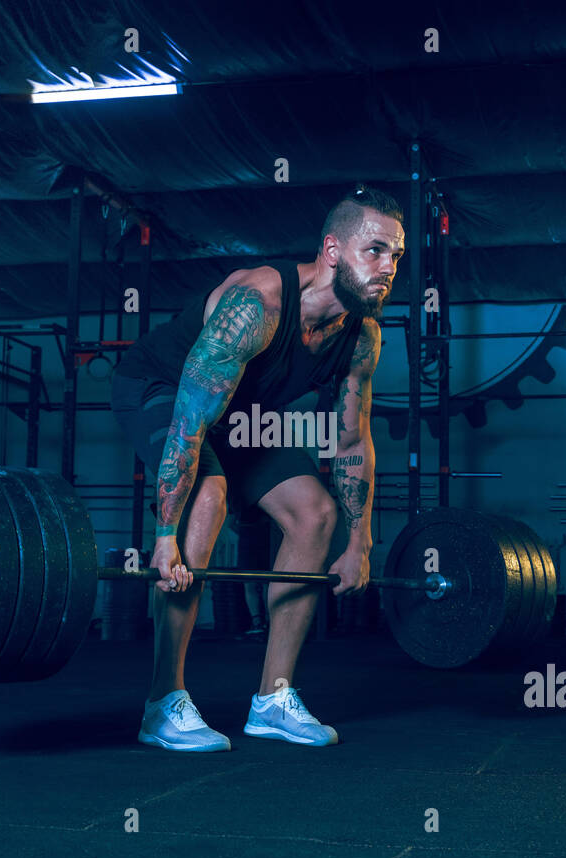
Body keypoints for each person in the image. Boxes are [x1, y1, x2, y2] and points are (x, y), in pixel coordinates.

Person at [110, 185, 403, 751]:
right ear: (333, 250)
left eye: (396, 256)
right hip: (162, 390)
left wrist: (360, 542)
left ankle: (273, 698)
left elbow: (350, 439)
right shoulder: (258, 305)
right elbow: (190, 424)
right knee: (208, 492)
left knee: (315, 513)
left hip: (240, 410)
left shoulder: (361, 336)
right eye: (376, 250)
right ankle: (162, 701)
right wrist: (165, 536)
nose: (389, 267)